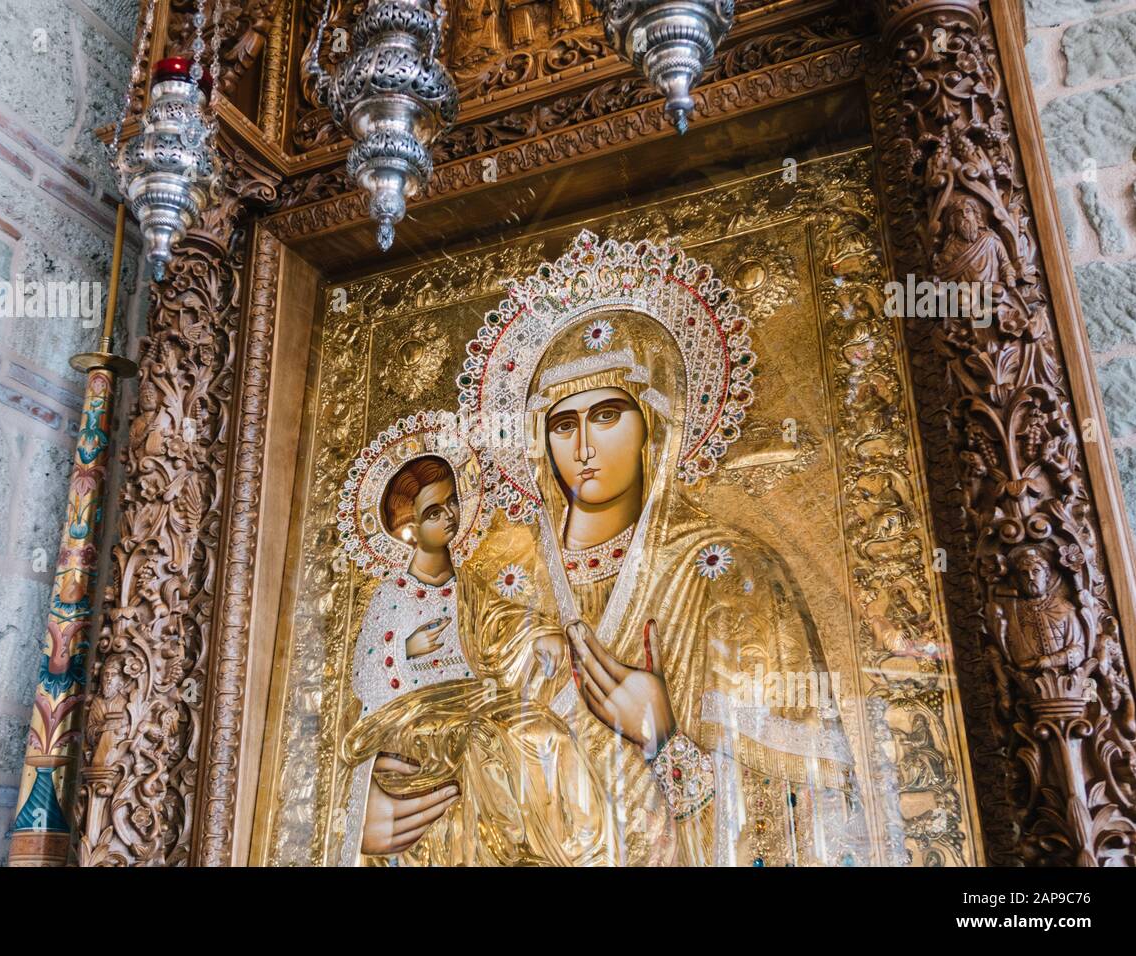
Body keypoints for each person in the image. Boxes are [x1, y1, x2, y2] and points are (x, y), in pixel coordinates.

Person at [460, 231, 872, 864]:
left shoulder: (725, 571)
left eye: (607, 415)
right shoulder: (499, 583)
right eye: (563, 424)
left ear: (653, 425)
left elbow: (805, 802)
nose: (584, 447)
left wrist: (665, 735)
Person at [334, 414, 611, 865]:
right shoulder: (393, 593)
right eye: (432, 512)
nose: (448, 518)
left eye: (451, 504)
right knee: (484, 742)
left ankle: (575, 850)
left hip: (474, 698)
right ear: (408, 527)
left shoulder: (465, 586)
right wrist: (405, 651)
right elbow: (368, 676)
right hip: (412, 715)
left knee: (544, 732)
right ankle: (508, 851)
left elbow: (499, 623)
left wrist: (540, 636)